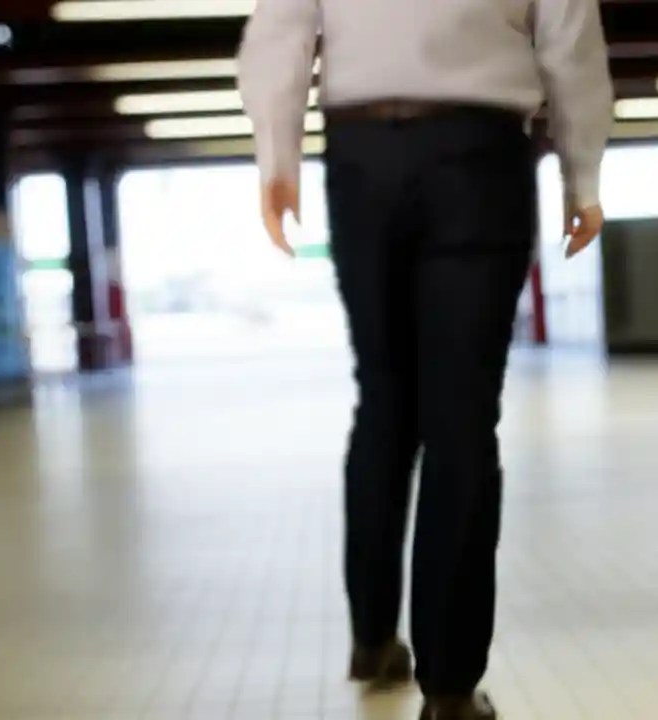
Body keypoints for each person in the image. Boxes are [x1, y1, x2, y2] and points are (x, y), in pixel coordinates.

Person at [236, 1, 614, 718]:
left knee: (383, 398)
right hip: (479, 156)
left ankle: (373, 639)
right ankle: (448, 689)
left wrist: (276, 156)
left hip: (361, 157)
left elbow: (279, 35)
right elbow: (571, 45)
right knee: (461, 421)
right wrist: (582, 177)